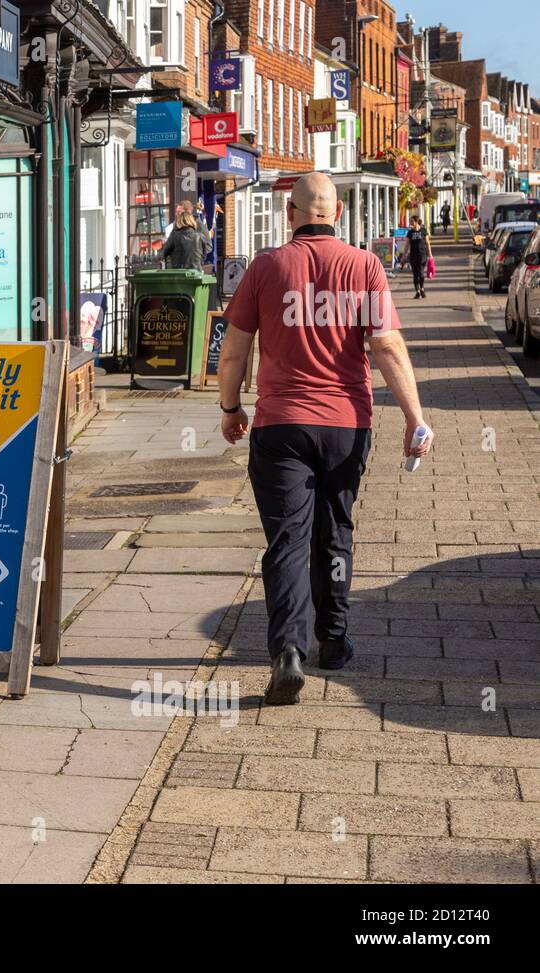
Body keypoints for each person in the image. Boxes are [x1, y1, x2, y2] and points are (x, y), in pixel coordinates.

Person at [216, 172, 433, 705]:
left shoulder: (266, 267)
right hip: (346, 425)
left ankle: (287, 651)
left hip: (281, 425)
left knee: (287, 541)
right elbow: (386, 348)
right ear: (337, 213)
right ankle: (333, 640)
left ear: (292, 215)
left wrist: (229, 408)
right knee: (334, 532)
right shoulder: (365, 267)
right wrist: (415, 417)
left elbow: (233, 351)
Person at [406, 215, 430, 299]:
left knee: (421, 273)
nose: (410, 223)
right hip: (413, 256)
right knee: (415, 274)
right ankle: (418, 291)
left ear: (416, 222)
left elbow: (427, 243)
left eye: (412, 221)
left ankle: (422, 288)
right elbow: (407, 245)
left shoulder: (423, 231)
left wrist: (430, 255)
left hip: (422, 255)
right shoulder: (410, 233)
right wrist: (404, 256)